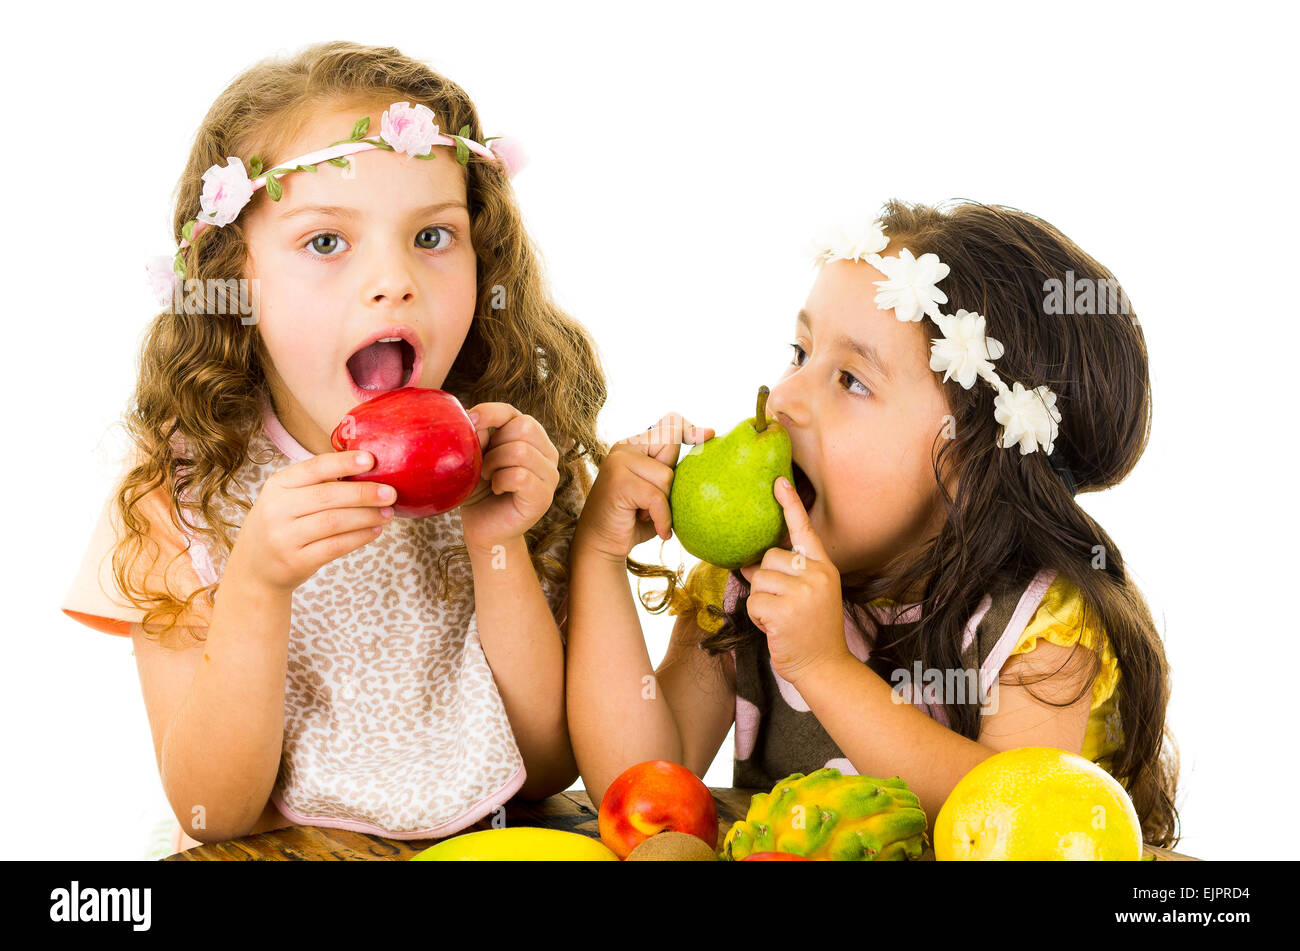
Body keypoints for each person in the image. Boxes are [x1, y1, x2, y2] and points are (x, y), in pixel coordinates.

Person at [61, 41, 605, 853]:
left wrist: (498, 545)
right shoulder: (179, 500)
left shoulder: (500, 465)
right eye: (325, 242)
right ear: (235, 276)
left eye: (432, 237)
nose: (395, 282)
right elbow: (216, 813)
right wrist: (256, 584)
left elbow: (541, 767)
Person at [566, 199, 1179, 849]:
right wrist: (599, 555)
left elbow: (1011, 819)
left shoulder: (1039, 624)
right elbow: (637, 783)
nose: (783, 398)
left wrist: (825, 668)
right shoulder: (748, 582)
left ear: (968, 458)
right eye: (799, 352)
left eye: (851, 380)